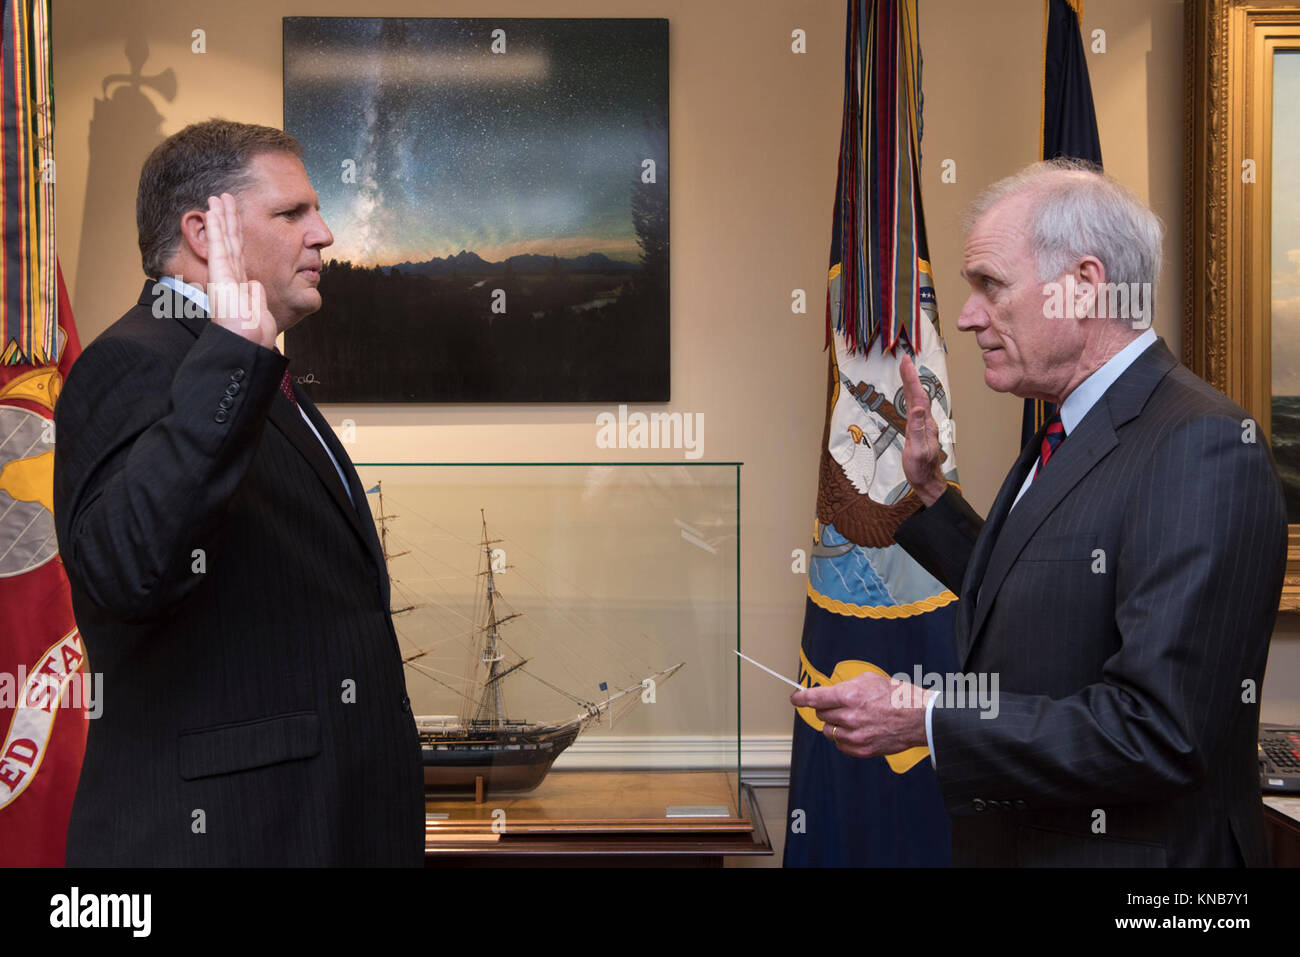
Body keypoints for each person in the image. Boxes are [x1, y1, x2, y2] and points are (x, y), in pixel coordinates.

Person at [790, 159, 1287, 866]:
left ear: (1082, 287)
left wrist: (924, 716)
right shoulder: (1070, 426)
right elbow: (1045, 593)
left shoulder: (1202, 447)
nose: (966, 317)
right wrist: (932, 494)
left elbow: (1157, 731)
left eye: (991, 285)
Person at [53, 119, 425, 865]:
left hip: (317, 825)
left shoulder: (253, 367)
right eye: (291, 213)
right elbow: (128, 572)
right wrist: (230, 357)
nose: (323, 233)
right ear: (202, 232)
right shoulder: (134, 360)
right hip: (228, 836)